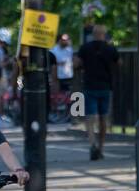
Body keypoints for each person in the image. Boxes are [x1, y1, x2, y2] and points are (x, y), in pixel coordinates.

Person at [78, 24, 119, 159]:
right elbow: (119, 63)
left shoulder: (85, 48)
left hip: (90, 86)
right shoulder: (110, 49)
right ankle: (101, 147)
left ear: (93, 34)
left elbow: (75, 64)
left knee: (90, 117)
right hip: (106, 87)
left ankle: (92, 144)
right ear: (104, 34)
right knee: (103, 118)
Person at [50, 32, 75, 97]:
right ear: (59, 40)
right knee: (58, 95)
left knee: (67, 95)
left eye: (67, 39)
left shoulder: (70, 49)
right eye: (64, 40)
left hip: (68, 76)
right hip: (58, 77)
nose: (66, 41)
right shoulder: (53, 50)